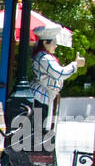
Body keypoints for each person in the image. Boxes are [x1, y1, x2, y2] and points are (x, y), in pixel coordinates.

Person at [30, 25, 85, 154]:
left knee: (41, 126)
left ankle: (38, 153)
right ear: (45, 42)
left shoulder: (42, 56)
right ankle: (37, 154)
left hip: (43, 95)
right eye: (54, 42)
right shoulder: (44, 58)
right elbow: (60, 73)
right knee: (39, 127)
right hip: (41, 96)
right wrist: (75, 64)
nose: (55, 45)